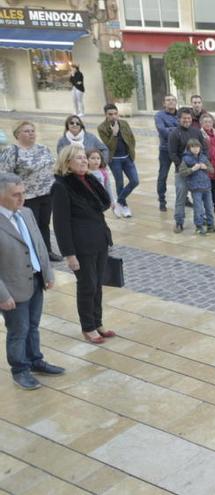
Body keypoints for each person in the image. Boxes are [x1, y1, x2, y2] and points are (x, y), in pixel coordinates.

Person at [0, 173, 64, 390]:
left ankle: (35, 360)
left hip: (35, 280)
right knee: (19, 330)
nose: (22, 199)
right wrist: (3, 295)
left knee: (33, 326)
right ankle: (20, 370)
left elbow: (38, 243)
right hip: (12, 288)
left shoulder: (26, 213)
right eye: (15, 195)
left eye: (23, 193)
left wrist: (47, 273)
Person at [51, 145, 116, 345]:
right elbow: (60, 224)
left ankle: (98, 322)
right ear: (67, 162)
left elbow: (103, 204)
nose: (84, 161)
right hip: (81, 244)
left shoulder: (89, 180)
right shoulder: (61, 186)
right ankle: (88, 327)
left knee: (97, 284)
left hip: (99, 240)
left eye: (84, 158)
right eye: (78, 158)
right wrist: (69, 254)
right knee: (87, 285)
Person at [0, 122, 63, 261]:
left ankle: (47, 252)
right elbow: (4, 176)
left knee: (44, 225)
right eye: (27, 131)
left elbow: (52, 167)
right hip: (26, 197)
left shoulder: (43, 148)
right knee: (30, 227)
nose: (31, 133)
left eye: (32, 130)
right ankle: (33, 255)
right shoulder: (12, 151)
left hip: (46, 194)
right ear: (17, 134)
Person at [97, 103, 138, 219]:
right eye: (110, 114)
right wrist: (114, 134)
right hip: (114, 160)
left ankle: (118, 202)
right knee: (119, 183)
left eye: (115, 114)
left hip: (127, 158)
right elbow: (108, 146)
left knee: (135, 181)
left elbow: (132, 139)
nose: (114, 116)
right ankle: (124, 206)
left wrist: (131, 152)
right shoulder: (102, 128)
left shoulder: (124, 123)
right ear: (106, 115)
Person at [180, 139, 215, 236]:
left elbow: (212, 170)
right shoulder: (186, 159)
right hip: (196, 188)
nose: (196, 149)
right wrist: (192, 169)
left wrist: (205, 167)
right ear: (189, 148)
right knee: (198, 209)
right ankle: (199, 227)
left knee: (209, 207)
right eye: (193, 147)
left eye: (197, 147)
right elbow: (182, 172)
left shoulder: (203, 157)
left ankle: (211, 225)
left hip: (206, 187)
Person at [155, 94, 179, 211]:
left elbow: (186, 128)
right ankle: (162, 200)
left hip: (179, 150)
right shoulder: (159, 115)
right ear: (164, 103)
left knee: (181, 175)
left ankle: (184, 198)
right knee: (163, 175)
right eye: (168, 100)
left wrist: (170, 128)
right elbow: (163, 131)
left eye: (173, 100)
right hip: (165, 150)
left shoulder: (181, 114)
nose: (170, 102)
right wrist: (177, 130)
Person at [85, 148, 117, 215]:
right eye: (92, 158)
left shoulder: (103, 172)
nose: (96, 160)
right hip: (88, 201)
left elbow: (108, 187)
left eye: (98, 158)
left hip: (100, 200)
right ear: (86, 159)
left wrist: (112, 201)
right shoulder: (84, 172)